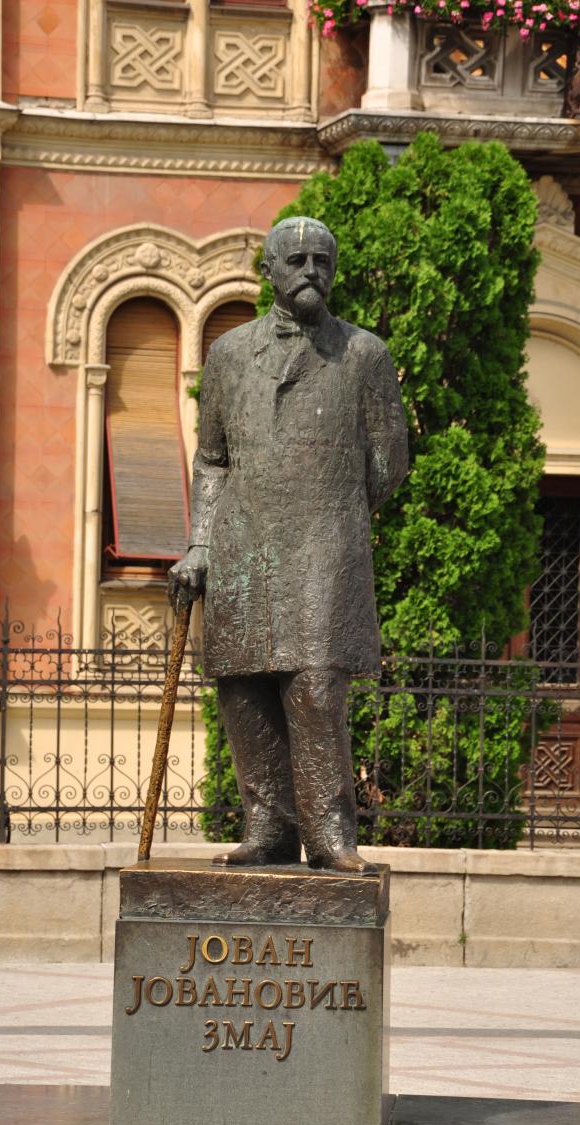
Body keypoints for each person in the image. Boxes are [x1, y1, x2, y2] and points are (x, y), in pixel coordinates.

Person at [169, 217, 408, 874]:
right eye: (296, 260)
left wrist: (329, 505)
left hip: (324, 546)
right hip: (242, 545)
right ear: (269, 270)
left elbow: (388, 463)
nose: (310, 271)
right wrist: (200, 545)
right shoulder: (228, 355)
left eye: (321, 261)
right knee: (245, 691)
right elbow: (212, 460)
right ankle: (269, 829)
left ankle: (331, 837)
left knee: (316, 690)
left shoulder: (363, 355)